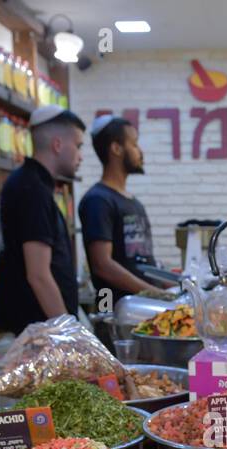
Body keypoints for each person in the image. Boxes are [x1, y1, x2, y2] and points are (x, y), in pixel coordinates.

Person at [0, 105, 85, 333]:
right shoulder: (31, 189)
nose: (80, 156)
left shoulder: (31, 183)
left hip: (43, 328)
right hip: (40, 332)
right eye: (78, 146)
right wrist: (71, 334)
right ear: (57, 145)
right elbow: (38, 275)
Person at [79, 115, 160, 311]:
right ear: (116, 149)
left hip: (141, 309)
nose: (140, 151)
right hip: (114, 312)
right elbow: (103, 266)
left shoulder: (134, 204)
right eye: (134, 144)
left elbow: (142, 263)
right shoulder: (98, 200)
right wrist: (154, 294)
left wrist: (174, 286)